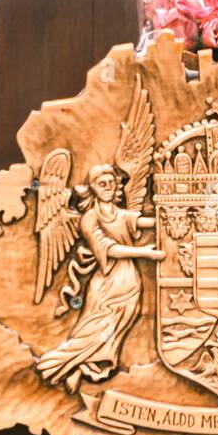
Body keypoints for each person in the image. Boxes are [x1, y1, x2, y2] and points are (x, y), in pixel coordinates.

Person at [36, 164, 164, 392]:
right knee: (94, 328)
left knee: (114, 332)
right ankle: (64, 365)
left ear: (116, 186)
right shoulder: (89, 219)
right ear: (92, 188)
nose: (107, 188)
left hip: (131, 285)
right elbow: (109, 249)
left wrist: (179, 213)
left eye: (111, 183)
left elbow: (149, 222)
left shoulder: (121, 214)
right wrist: (145, 253)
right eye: (101, 184)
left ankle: (82, 368)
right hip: (107, 285)